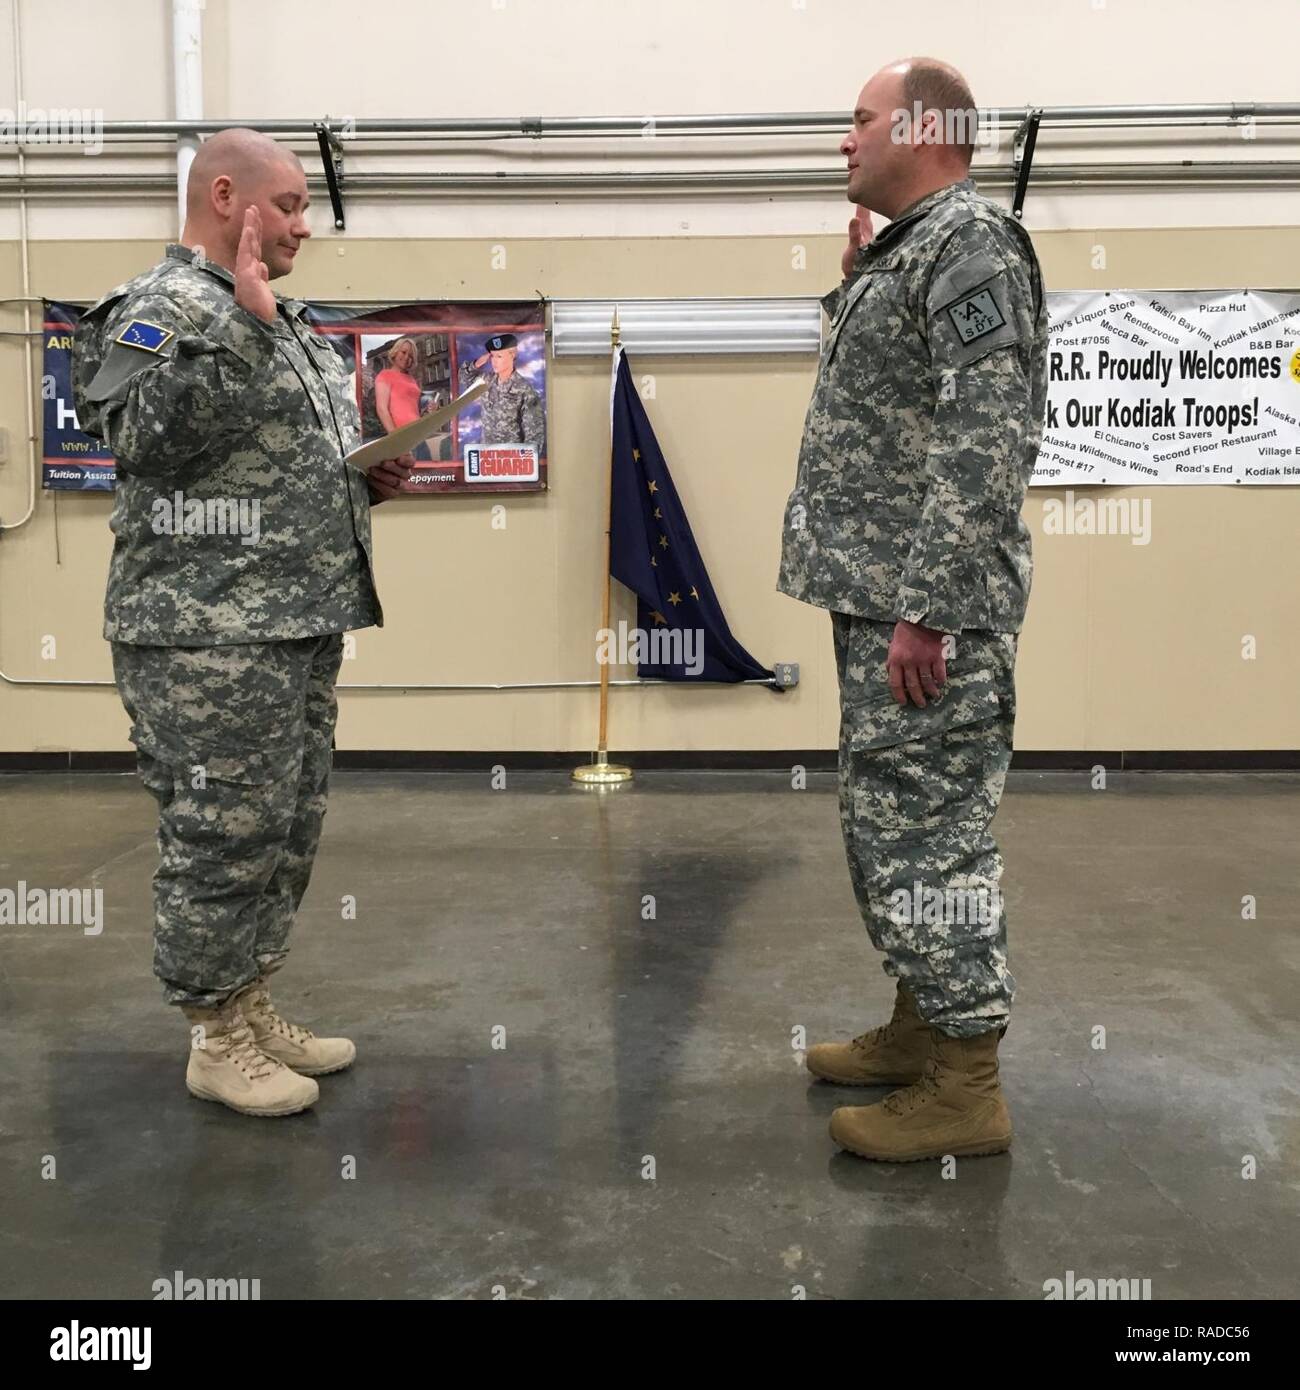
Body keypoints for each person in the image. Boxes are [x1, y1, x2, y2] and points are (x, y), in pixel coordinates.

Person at [72, 127, 414, 1118]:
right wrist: (245, 330)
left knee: (283, 827)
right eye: (295, 205)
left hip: (293, 618)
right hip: (201, 634)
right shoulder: (162, 309)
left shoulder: (269, 314)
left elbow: (257, 465)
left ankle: (250, 1000)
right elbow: (141, 437)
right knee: (221, 832)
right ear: (229, 197)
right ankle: (212, 1036)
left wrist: (366, 482)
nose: (308, 225)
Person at [778, 59, 1048, 1162]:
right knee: (889, 826)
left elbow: (985, 438)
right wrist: (852, 282)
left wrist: (929, 607)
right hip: (881, 598)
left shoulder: (971, 242)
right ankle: (917, 1024)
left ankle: (965, 1080)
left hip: (923, 614)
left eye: (859, 119)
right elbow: (892, 405)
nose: (843, 140)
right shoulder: (911, 249)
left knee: (930, 840)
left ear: (925, 126)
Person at [457, 332, 545, 455]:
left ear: (512, 355)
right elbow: (463, 378)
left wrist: (524, 463)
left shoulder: (524, 389)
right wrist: (475, 364)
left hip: (510, 459)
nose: (494, 361)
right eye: (492, 356)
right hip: (487, 456)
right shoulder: (486, 380)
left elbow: (535, 433)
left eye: (499, 356)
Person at [375, 336, 432, 462]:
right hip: (401, 439)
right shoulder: (385, 375)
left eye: (411, 356)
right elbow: (381, 408)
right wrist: (396, 438)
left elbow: (414, 411)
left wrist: (429, 411)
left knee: (428, 476)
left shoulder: (412, 380)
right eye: (404, 352)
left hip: (419, 437)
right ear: (395, 352)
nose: (407, 358)